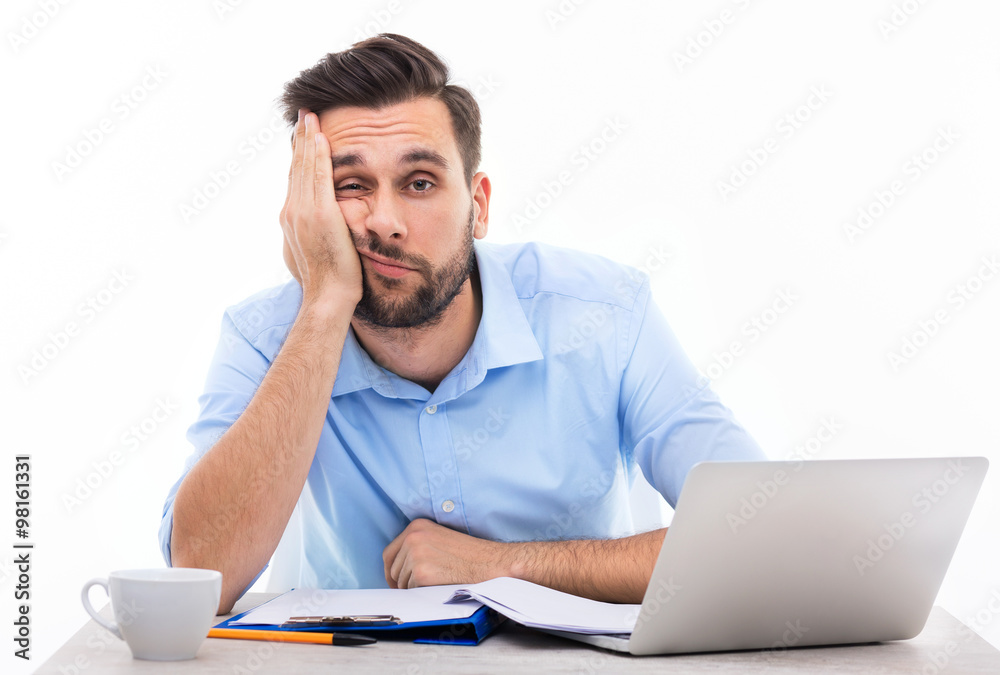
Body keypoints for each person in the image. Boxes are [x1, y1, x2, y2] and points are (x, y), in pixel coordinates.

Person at [158, 33, 767, 615]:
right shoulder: (263, 338)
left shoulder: (605, 314)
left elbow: (760, 533)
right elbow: (196, 579)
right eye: (350, 186)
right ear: (305, 208)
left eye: (419, 182)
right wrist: (322, 308)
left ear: (477, 206)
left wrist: (500, 566)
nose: (385, 221)